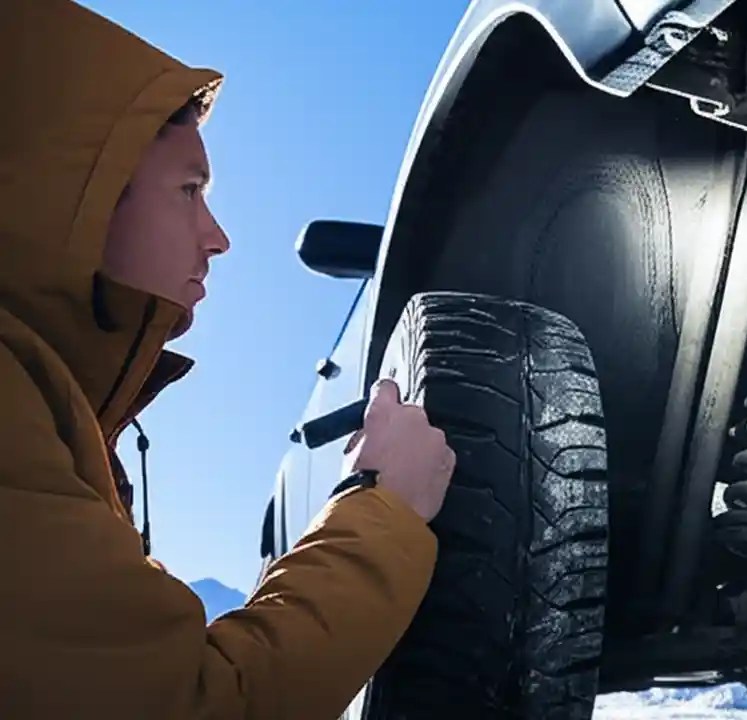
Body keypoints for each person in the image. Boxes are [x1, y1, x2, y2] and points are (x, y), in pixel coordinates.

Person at [0, 1, 456, 717]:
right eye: (189, 190)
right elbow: (186, 702)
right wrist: (384, 508)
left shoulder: (40, 406)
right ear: (71, 196)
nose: (218, 237)